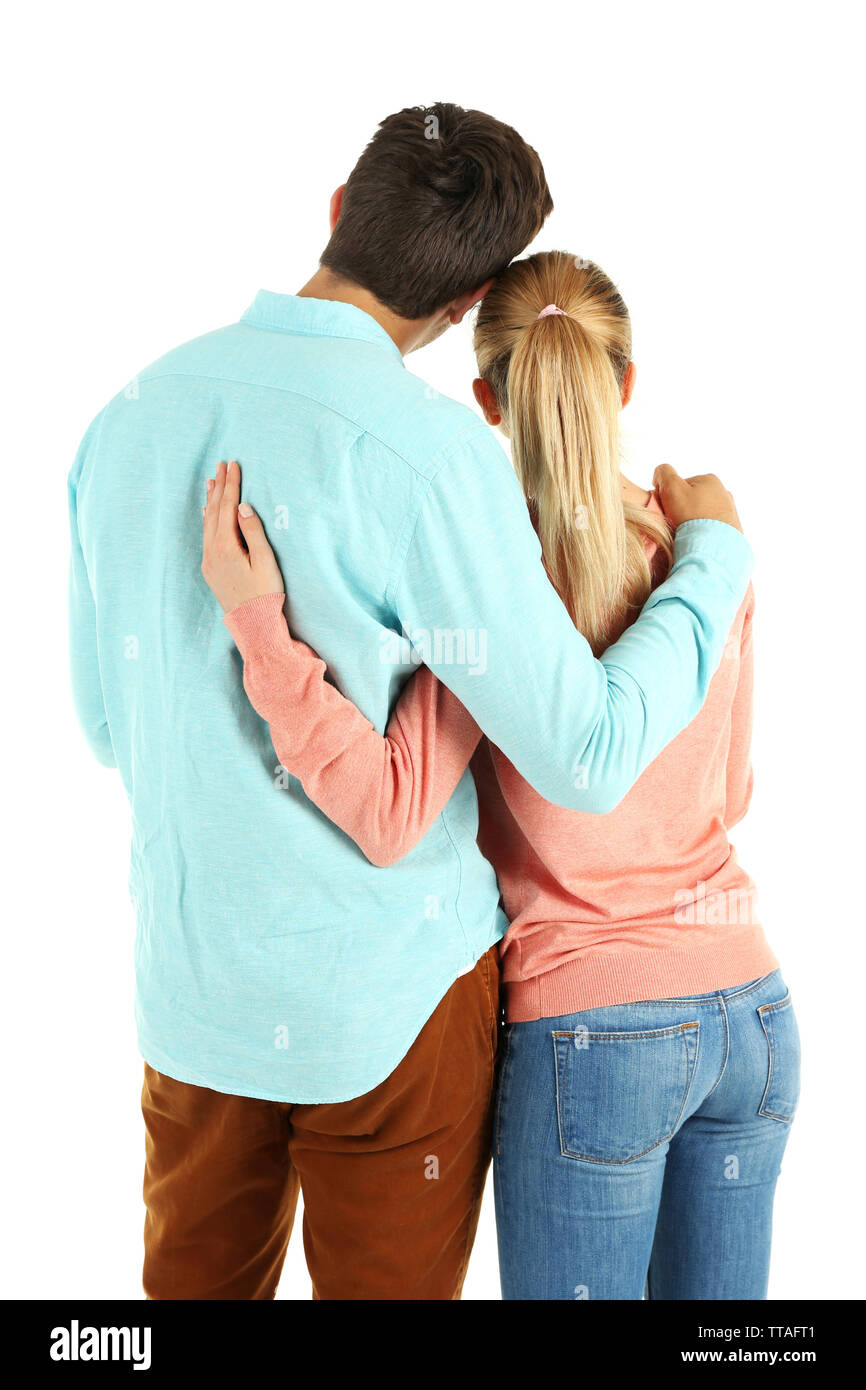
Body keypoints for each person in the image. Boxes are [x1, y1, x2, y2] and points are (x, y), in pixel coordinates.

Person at [69, 105, 751, 1301]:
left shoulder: (125, 415)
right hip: (392, 1008)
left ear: (337, 207)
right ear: (459, 312)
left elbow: (103, 723)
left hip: (193, 992)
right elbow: (585, 753)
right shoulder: (433, 458)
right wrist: (712, 571)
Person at [201, 251, 797, 1301]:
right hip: (748, 1014)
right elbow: (730, 796)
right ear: (623, 381)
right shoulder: (704, 550)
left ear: (483, 397)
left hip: (593, 1031)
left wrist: (261, 629)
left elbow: (387, 810)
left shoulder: (489, 583)